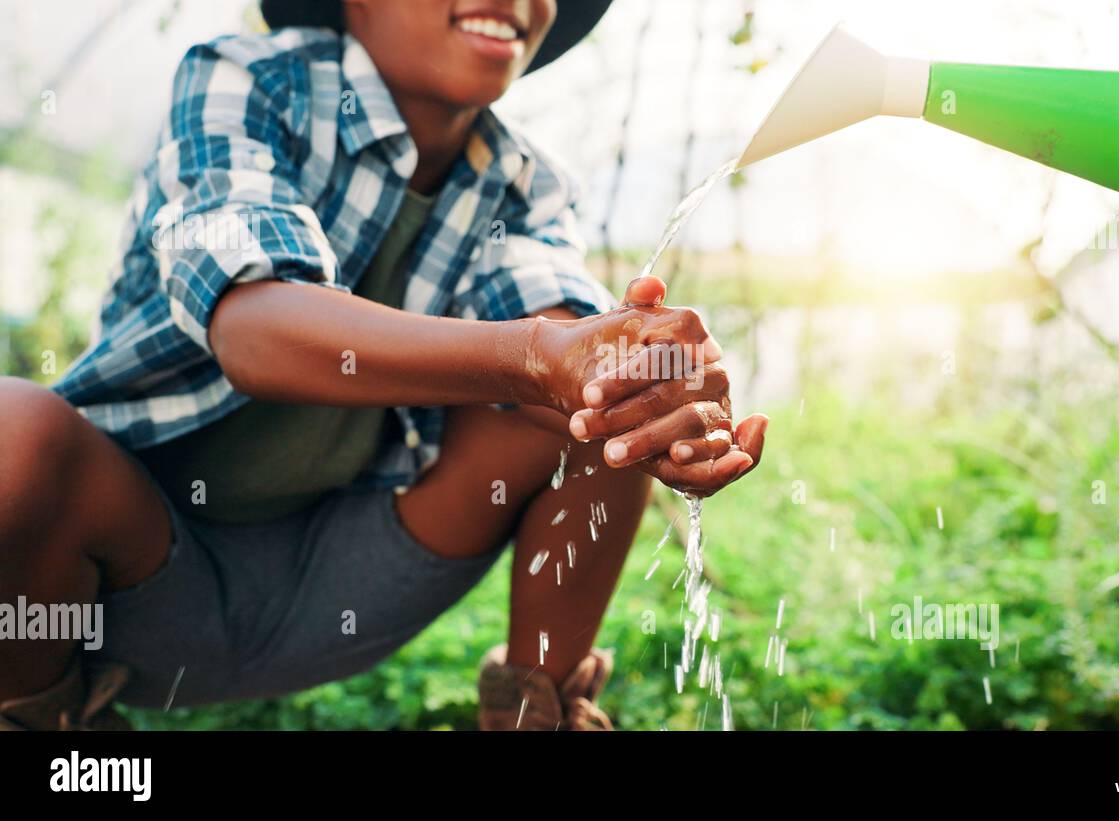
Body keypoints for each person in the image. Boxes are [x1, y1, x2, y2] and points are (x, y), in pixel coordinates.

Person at [0, 0, 766, 731]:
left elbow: (569, 338)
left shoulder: (524, 181)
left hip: (357, 573)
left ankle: (536, 705)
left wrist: (643, 388)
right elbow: (254, 326)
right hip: (130, 580)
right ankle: (41, 713)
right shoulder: (249, 81)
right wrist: (536, 357)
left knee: (597, 410)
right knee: (15, 432)